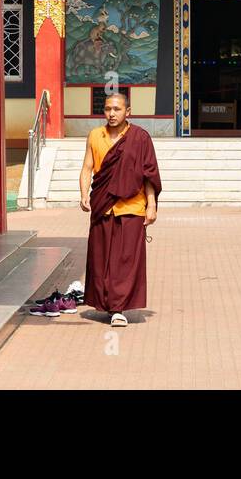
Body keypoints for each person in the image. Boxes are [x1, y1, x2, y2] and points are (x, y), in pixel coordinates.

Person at [79, 92, 161, 327]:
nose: (111, 114)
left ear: (128, 112)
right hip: (103, 205)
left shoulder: (140, 138)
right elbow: (87, 168)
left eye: (116, 109)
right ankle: (105, 302)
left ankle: (118, 308)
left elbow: (149, 175)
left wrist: (152, 204)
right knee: (101, 258)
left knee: (126, 260)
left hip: (132, 208)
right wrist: (84, 194)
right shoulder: (95, 135)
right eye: (107, 109)